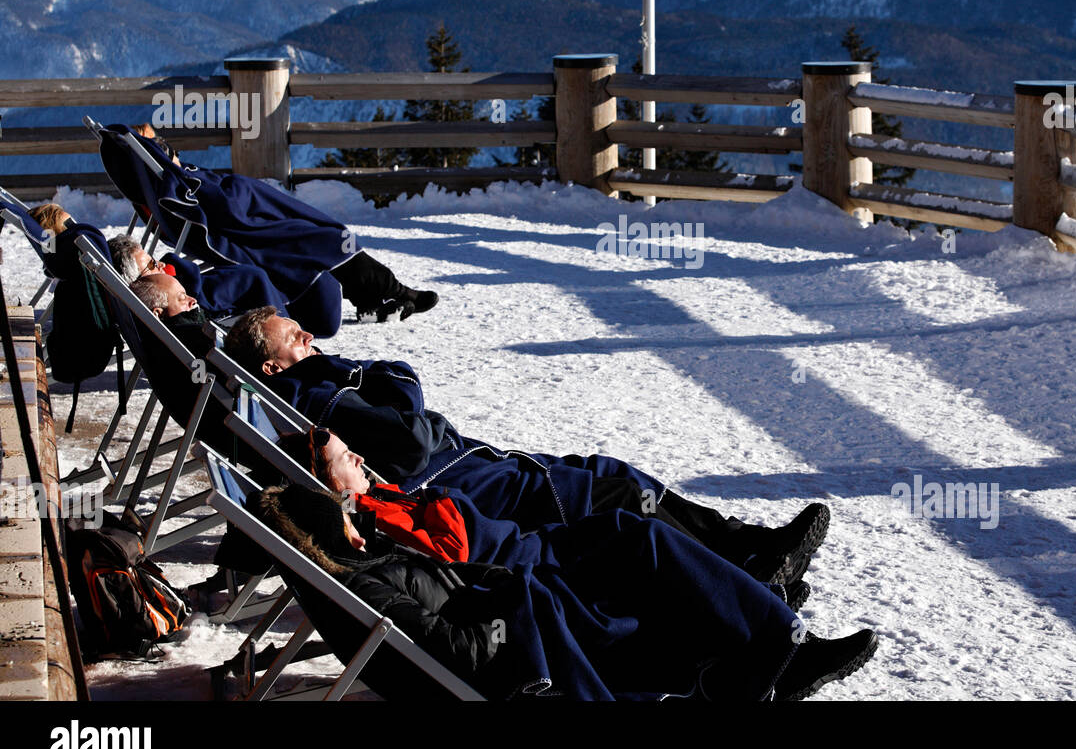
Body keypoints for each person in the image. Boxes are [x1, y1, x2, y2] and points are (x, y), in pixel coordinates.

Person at [225, 307, 831, 587]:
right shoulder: (320, 395)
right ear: (273, 365)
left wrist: (393, 384)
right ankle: (749, 569)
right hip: (459, 485)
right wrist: (385, 380)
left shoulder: (313, 386)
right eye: (294, 336)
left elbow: (405, 395)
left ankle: (749, 550)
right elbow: (410, 433)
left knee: (611, 474)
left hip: (464, 466)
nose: (310, 334)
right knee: (617, 495)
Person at [253, 435, 878, 700]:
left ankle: (755, 627)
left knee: (629, 521)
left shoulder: (360, 554)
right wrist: (518, 598)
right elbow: (457, 640)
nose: (359, 458)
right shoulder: (362, 571)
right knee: (639, 543)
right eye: (347, 519)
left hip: (518, 575)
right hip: (523, 594)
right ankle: (776, 647)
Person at [104, 122, 438, 324]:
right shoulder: (179, 185)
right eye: (172, 154)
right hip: (246, 230)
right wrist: (236, 190)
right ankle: (387, 293)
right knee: (329, 238)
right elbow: (228, 205)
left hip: (245, 224)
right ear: (164, 156)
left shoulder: (167, 185)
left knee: (325, 239)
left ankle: (383, 295)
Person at [110, 233, 293, 327]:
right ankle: (283, 334)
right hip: (189, 295)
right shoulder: (158, 306)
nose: (160, 265)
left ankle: (284, 331)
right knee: (253, 278)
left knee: (250, 275)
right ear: (136, 284)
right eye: (151, 266)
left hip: (187, 288)